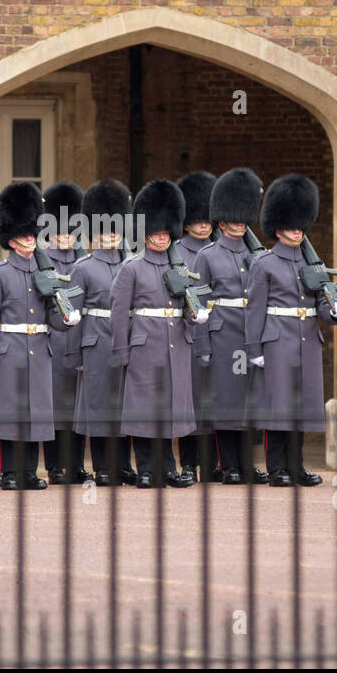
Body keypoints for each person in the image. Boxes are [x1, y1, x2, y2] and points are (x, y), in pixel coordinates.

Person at [244, 174, 337, 487]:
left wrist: (332, 312)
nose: (297, 231)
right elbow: (255, 310)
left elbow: (317, 304)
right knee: (279, 408)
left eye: (300, 226)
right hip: (277, 341)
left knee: (301, 406)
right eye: (292, 226)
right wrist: (254, 350)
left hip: (307, 339)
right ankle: (277, 468)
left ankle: (296, 466)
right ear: (278, 229)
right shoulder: (264, 264)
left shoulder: (311, 262)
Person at [0, 182, 78, 490]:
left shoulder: (44, 272)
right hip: (10, 349)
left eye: (32, 235)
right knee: (12, 414)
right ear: (11, 239)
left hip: (39, 346)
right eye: (24, 236)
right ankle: (10, 472)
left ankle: (30, 472)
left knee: (36, 412)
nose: (29, 240)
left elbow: (51, 316)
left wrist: (66, 319)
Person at [111, 179, 206, 489]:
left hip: (175, 343)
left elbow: (188, 305)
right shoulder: (132, 268)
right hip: (144, 344)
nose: (163, 237)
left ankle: (168, 469)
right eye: (158, 232)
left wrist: (195, 317)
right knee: (144, 411)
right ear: (147, 233)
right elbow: (119, 312)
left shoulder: (181, 266)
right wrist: (122, 351)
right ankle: (147, 470)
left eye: (167, 232)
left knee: (168, 410)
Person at [193, 167, 268, 484]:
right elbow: (199, 303)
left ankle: (247, 464)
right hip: (222, 333)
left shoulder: (257, 254)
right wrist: (203, 345)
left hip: (251, 333)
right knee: (225, 402)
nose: (239, 225)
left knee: (250, 402)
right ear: (221, 221)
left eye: (243, 219)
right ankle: (229, 465)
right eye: (233, 219)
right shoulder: (207, 256)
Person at [68, 178, 136, 485]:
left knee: (124, 404)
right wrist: (76, 352)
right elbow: (72, 315)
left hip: (127, 339)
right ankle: (102, 467)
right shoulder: (82, 268)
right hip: (95, 341)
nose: (110, 235)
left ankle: (123, 465)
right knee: (98, 408)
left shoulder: (131, 264)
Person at [41, 180, 90, 484]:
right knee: (54, 405)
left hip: (80, 339)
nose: (65, 238)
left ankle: (75, 464)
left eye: (69, 232)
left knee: (78, 406)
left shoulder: (85, 260)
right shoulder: (42, 261)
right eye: (60, 232)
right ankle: (55, 465)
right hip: (53, 340)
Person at [175, 171, 217, 483]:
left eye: (207, 218)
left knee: (214, 402)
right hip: (188, 333)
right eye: (197, 218)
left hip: (217, 333)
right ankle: (189, 463)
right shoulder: (177, 252)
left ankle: (213, 463)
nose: (203, 224)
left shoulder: (221, 249)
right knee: (189, 403)